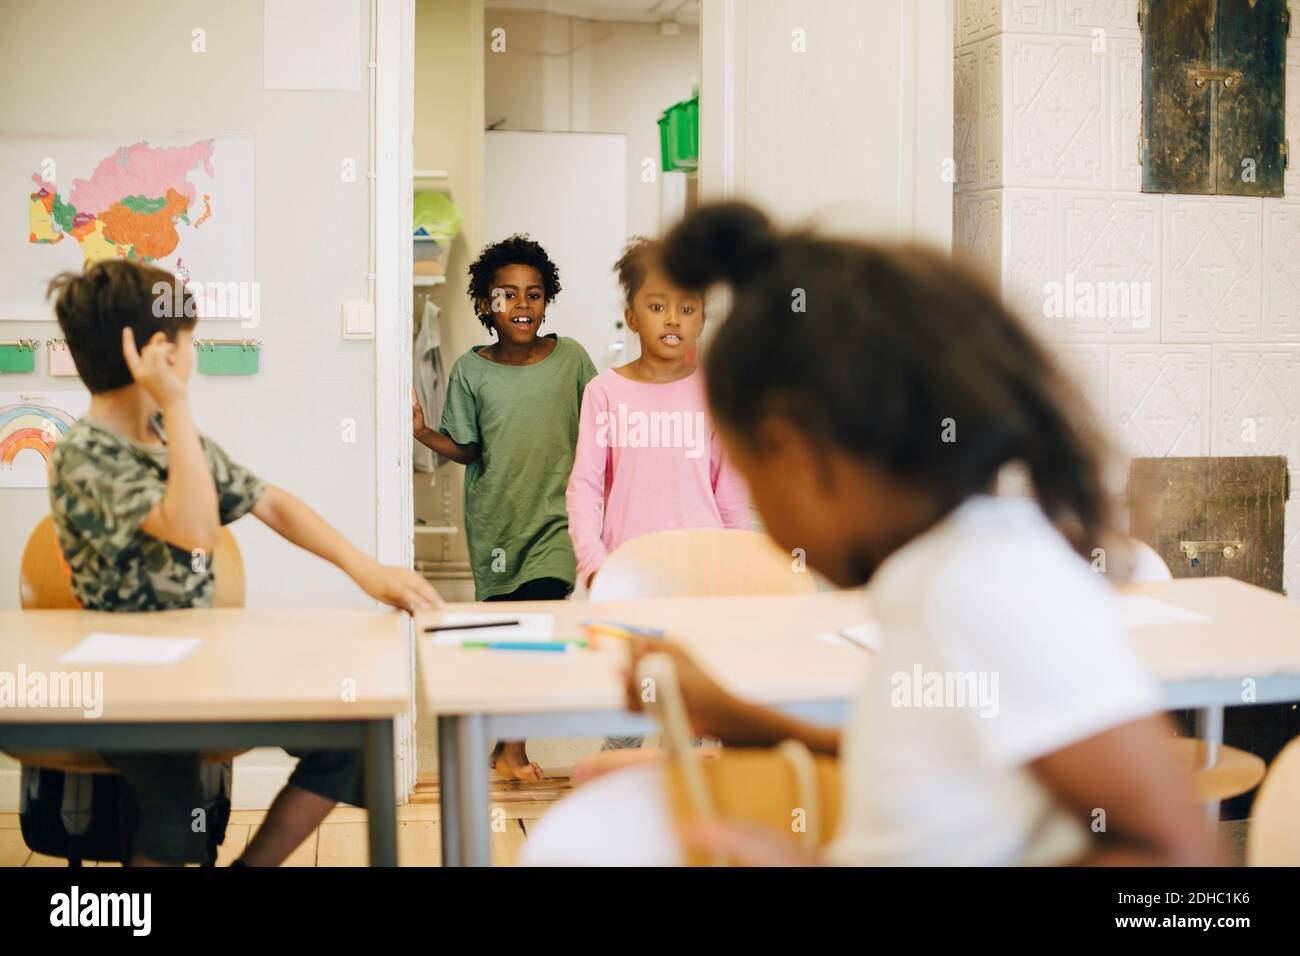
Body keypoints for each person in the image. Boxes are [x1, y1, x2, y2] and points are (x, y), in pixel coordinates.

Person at [521, 203, 1221, 866]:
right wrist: (748, 721)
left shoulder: (988, 588)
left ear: (797, 455)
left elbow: (1181, 866)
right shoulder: (940, 570)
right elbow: (930, 763)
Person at [47, 260, 440, 866]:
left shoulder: (165, 433)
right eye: (188, 340)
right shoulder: (84, 455)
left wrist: (366, 568)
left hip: (199, 674)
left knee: (351, 737)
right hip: (127, 692)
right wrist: (177, 408)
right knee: (174, 812)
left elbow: (269, 502)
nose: (192, 351)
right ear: (161, 353)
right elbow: (195, 529)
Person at [413, 234, 597, 781]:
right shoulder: (472, 372)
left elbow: (599, 429)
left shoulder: (573, 360)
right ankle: (499, 746)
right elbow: (467, 448)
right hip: (495, 520)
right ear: (484, 306)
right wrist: (423, 433)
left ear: (547, 301)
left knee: (539, 627)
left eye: (534, 294)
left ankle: (511, 750)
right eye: (508, 295)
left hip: (556, 522)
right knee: (509, 636)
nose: (522, 305)